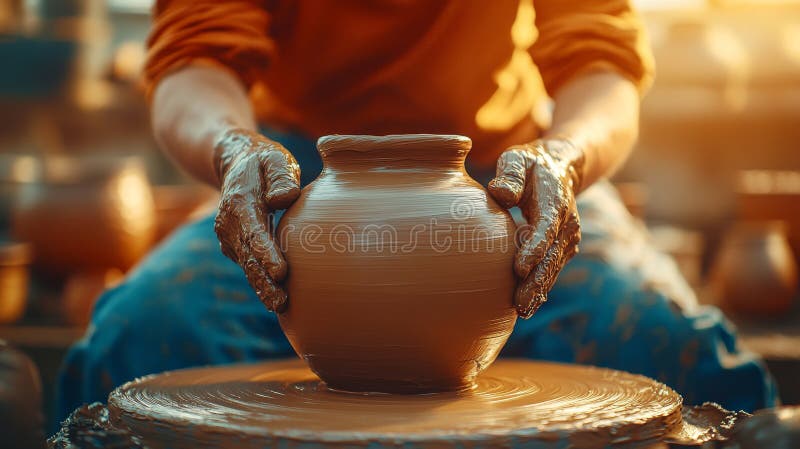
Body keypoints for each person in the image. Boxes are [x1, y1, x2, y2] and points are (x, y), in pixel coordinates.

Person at [57, 0, 776, 421]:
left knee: (672, 352)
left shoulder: (535, 165)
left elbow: (599, 57)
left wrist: (567, 157)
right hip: (296, 178)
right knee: (139, 338)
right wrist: (231, 153)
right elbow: (195, 52)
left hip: (514, 170)